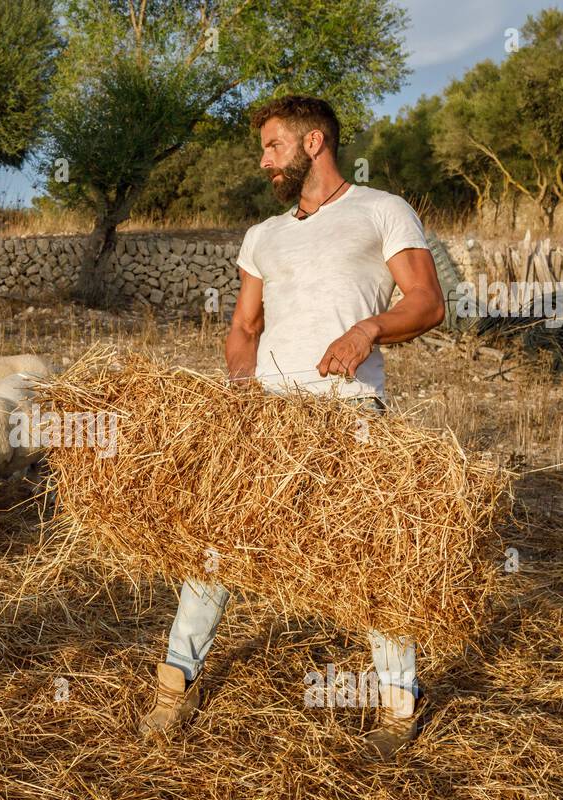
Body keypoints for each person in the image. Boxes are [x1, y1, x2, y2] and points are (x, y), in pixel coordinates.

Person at [139, 95, 446, 757]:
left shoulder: (382, 210)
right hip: (268, 418)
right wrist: (240, 404)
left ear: (313, 144)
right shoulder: (264, 236)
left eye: (272, 145)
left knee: (372, 556)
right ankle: (175, 685)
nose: (263, 159)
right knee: (214, 549)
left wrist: (369, 329)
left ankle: (398, 702)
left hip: (350, 417)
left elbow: (426, 302)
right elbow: (243, 328)